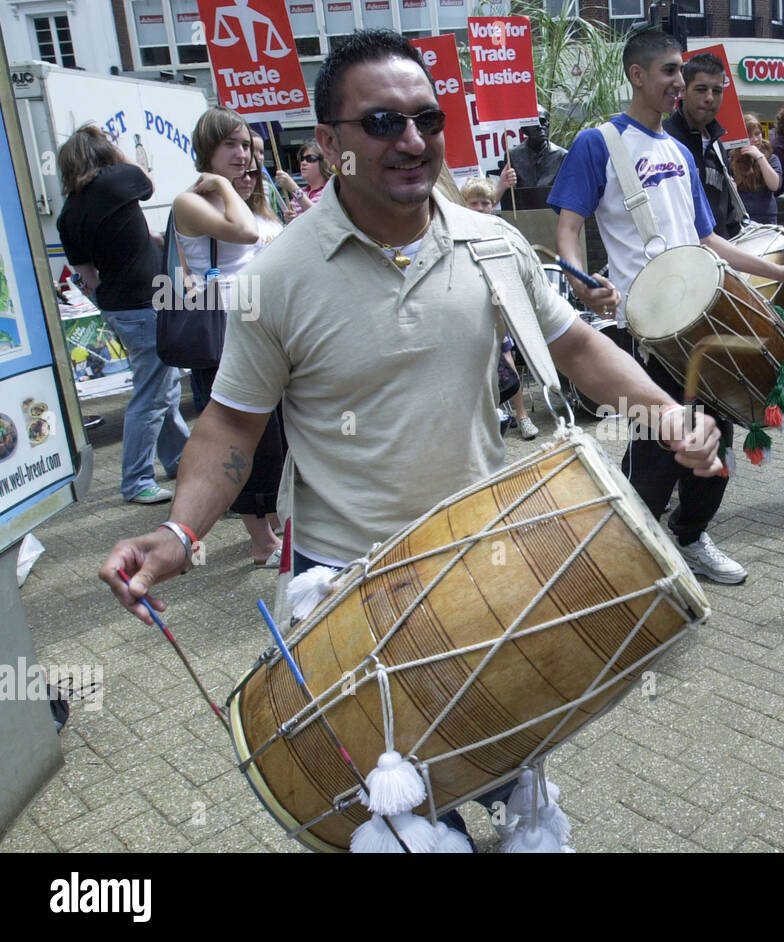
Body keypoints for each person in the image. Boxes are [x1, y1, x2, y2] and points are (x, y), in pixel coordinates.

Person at [100, 28, 723, 851]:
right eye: (382, 123)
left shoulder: (491, 244)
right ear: (329, 142)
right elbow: (232, 424)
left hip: (487, 570)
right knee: (401, 822)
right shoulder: (276, 275)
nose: (413, 141)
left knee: (507, 768)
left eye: (427, 119)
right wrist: (181, 532)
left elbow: (575, 345)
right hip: (348, 594)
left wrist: (663, 413)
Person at [549, 28, 784, 584]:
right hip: (644, 332)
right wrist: (579, 282)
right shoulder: (598, 143)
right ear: (637, 75)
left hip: (702, 325)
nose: (679, 83)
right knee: (654, 456)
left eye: (681, 72)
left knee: (714, 445)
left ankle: (690, 536)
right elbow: (569, 228)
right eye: (670, 71)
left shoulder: (677, 151)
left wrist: (779, 270)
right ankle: (624, 564)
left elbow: (710, 241)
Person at [171, 106, 286, 567]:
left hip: (267, 331)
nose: (243, 156)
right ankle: (261, 541)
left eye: (246, 145)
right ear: (207, 151)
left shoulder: (248, 197)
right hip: (224, 336)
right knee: (241, 437)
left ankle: (274, 523)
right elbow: (242, 234)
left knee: (275, 436)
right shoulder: (193, 201)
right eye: (231, 146)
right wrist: (218, 184)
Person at [56, 124, 188, 505]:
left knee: (162, 385)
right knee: (152, 393)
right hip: (145, 302)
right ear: (105, 156)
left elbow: (87, 276)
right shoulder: (117, 181)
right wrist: (116, 151)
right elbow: (146, 181)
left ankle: (180, 457)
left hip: (117, 306)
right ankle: (136, 481)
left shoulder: (69, 213)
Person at [461, 175, 539, 441]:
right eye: (474, 203)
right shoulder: (458, 232)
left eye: (486, 203)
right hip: (471, 309)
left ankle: (522, 416)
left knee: (506, 359)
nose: (481, 207)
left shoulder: (500, 230)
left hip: (497, 306)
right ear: (464, 205)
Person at [664, 52, 742, 239]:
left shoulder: (718, 146)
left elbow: (728, 215)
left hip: (718, 259)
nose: (709, 98)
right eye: (701, 89)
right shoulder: (664, 140)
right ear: (682, 91)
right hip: (677, 259)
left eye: (716, 91)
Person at [494, 107, 567, 189]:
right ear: (524, 129)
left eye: (543, 122)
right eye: (534, 123)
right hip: (523, 201)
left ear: (548, 125)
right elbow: (510, 191)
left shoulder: (562, 155)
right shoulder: (512, 155)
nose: (540, 126)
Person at [731, 113, 782, 225]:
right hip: (743, 218)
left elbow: (774, 185)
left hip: (766, 218)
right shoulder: (733, 159)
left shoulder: (771, 158)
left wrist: (760, 157)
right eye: (749, 136)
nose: (755, 139)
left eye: (757, 134)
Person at [275, 140, 332, 214]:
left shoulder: (331, 190)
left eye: (310, 158)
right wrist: (291, 219)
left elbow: (318, 215)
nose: (303, 162)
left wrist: (294, 189)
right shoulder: (301, 194)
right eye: (302, 159)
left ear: (324, 162)